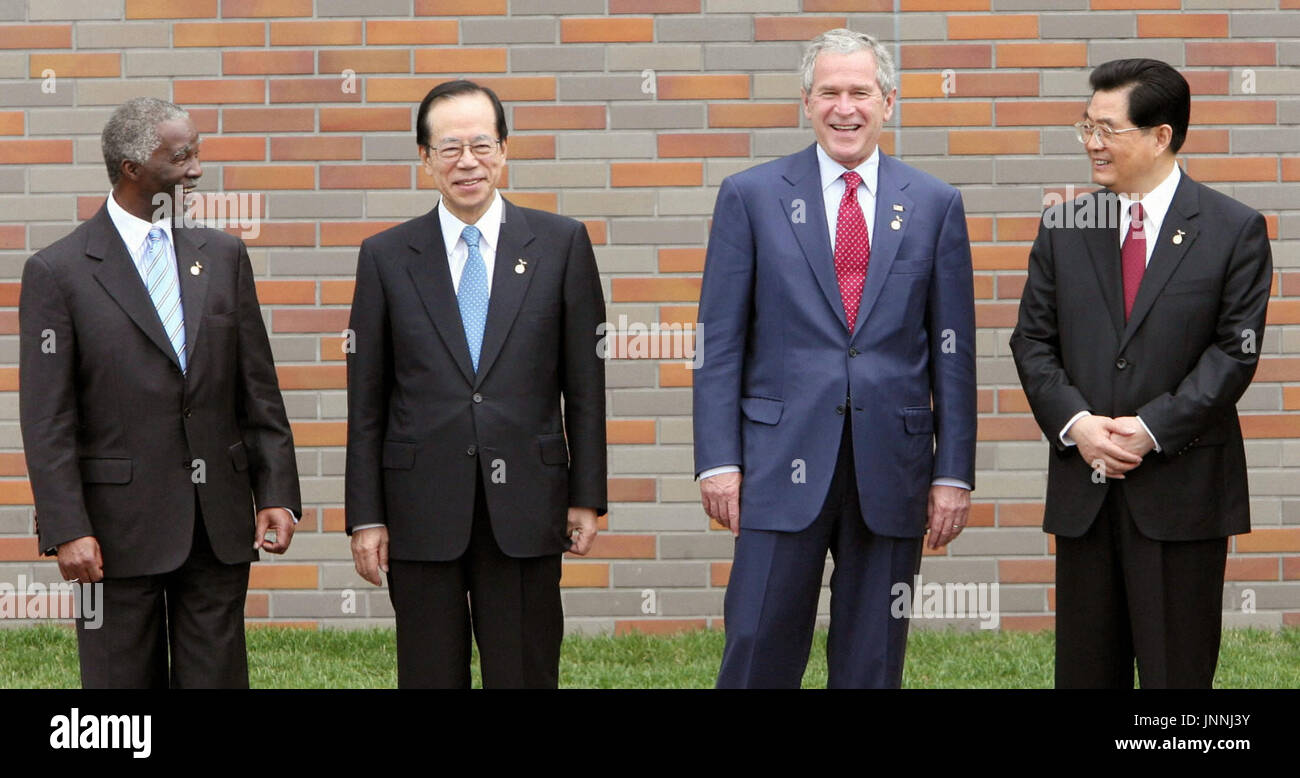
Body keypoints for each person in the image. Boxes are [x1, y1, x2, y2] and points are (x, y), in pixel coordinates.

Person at [694, 29, 977, 689]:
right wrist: (718, 460)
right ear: (806, 101)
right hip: (775, 461)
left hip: (893, 465)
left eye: (860, 92)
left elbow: (953, 352)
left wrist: (953, 472)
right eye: (830, 92)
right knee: (759, 642)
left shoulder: (935, 204)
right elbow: (720, 344)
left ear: (889, 102)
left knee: (872, 659)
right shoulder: (752, 196)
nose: (844, 107)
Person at [19, 97, 301, 688]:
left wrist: (277, 491)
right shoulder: (58, 272)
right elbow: (47, 420)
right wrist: (67, 527)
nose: (197, 169)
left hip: (216, 525)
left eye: (197, 153)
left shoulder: (224, 256)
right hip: (114, 533)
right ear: (132, 167)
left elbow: (258, 388)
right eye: (182, 156)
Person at [1010, 59, 1272, 688]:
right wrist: (1079, 425)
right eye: (1087, 127)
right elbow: (1032, 341)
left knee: (1175, 682)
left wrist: (1150, 428)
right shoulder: (1065, 224)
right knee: (1085, 673)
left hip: (1182, 492)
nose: (1093, 143)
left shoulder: (1233, 229)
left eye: (1108, 129)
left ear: (1161, 135)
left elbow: (1233, 353)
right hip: (1086, 493)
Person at [345, 80, 607, 689]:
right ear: (424, 159)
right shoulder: (385, 256)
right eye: (450, 148)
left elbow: (585, 387)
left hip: (528, 506)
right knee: (429, 674)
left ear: (505, 150)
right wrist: (366, 516)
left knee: (524, 671)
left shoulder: (561, 244)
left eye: (482, 145)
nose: (468, 162)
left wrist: (586, 496)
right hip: (419, 511)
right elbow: (367, 403)